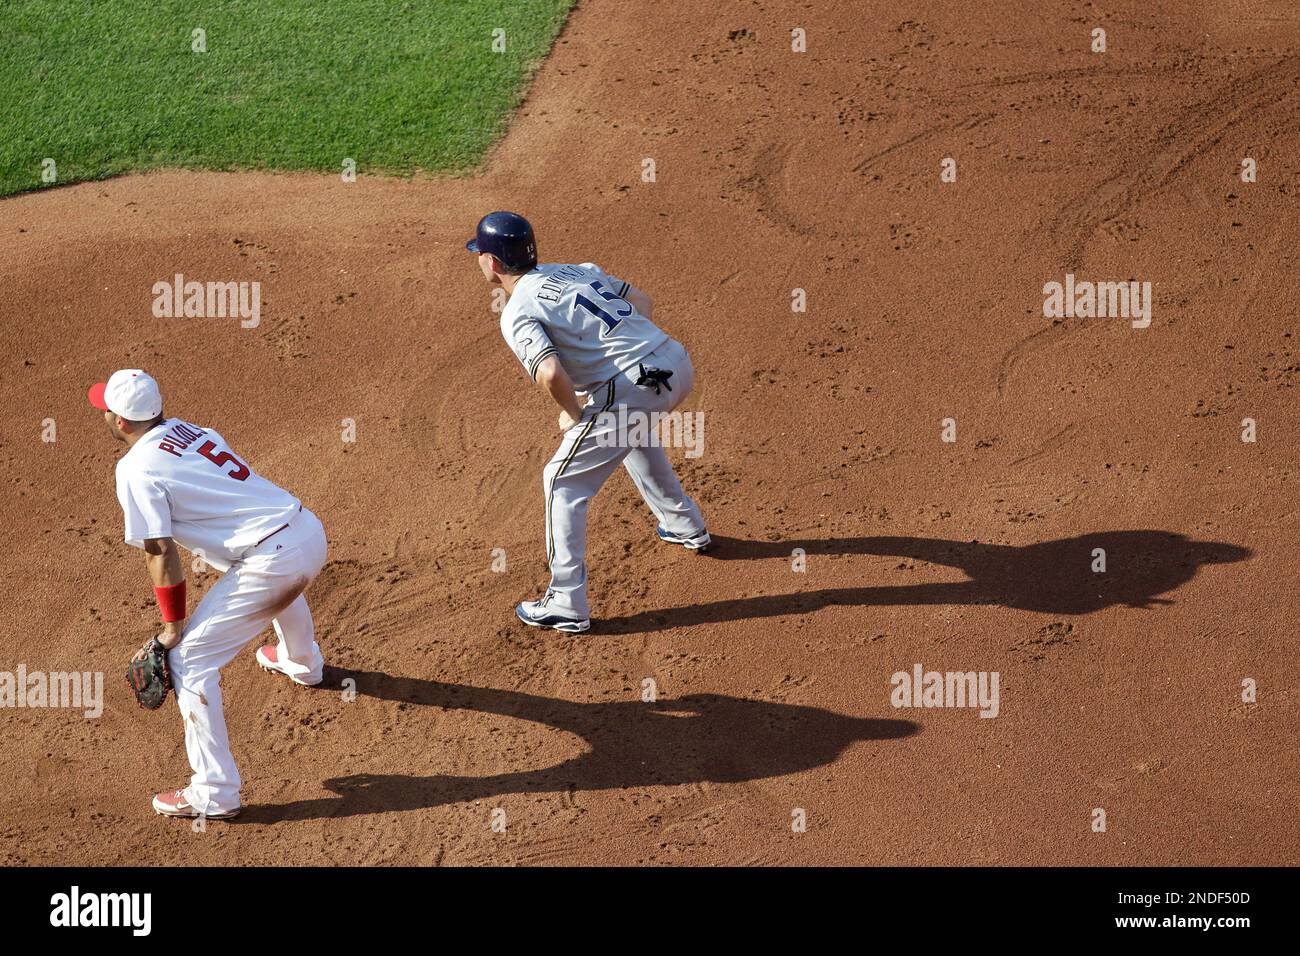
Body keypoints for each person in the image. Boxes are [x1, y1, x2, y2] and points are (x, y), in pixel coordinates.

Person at [89, 369, 327, 819]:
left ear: (119, 421)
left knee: (189, 660)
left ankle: (214, 792)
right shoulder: (195, 431)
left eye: (105, 409)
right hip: (307, 531)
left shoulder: (135, 469)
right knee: (272, 582)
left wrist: (172, 629)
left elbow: (159, 550)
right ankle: (303, 662)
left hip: (274, 560)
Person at [467, 211, 710, 633]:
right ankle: (682, 522)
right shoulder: (576, 271)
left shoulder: (516, 309)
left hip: (633, 386)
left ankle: (565, 601)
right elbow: (643, 301)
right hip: (675, 361)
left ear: (493, 263)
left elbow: (550, 374)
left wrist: (578, 413)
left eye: (480, 254)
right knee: (626, 430)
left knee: (562, 481)